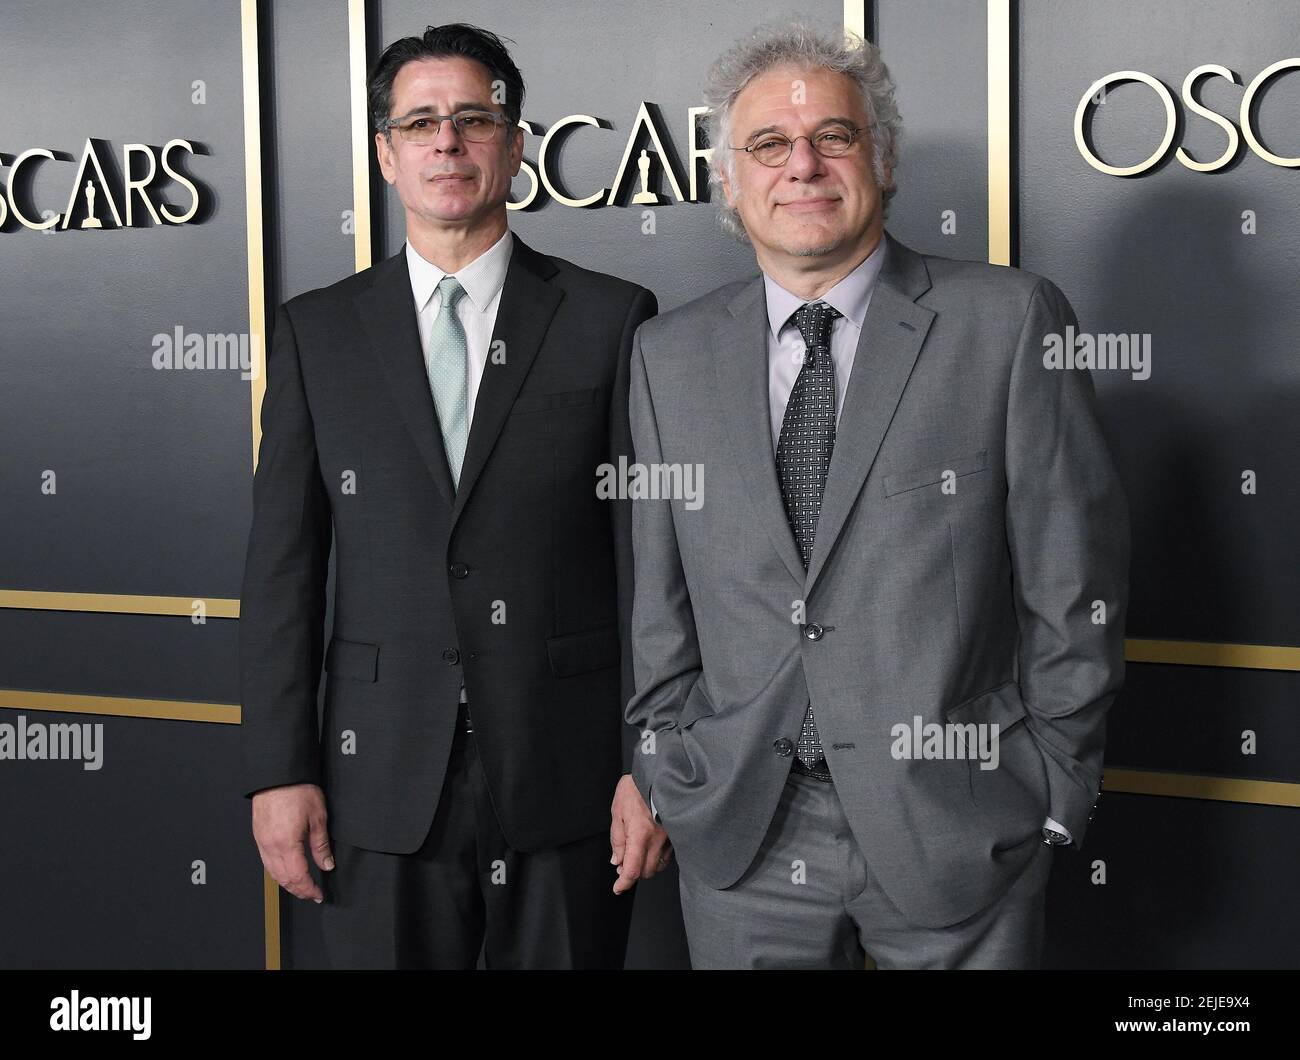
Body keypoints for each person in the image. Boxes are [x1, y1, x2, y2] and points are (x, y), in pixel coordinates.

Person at [623, 20, 1130, 969]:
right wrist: (662, 762)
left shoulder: (1009, 321)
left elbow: (1074, 579)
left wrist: (1057, 783)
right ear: (729, 182)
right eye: (769, 144)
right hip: (742, 834)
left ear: (883, 160)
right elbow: (661, 598)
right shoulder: (667, 355)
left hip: (961, 826)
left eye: (836, 138)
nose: (802, 165)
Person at [239, 23, 662, 969]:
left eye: (475, 118)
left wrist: (649, 766)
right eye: (421, 122)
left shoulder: (612, 317)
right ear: (386, 154)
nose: (448, 141)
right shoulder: (317, 332)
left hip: (570, 778)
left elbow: (649, 566)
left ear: (516, 146)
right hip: (376, 781)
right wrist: (279, 770)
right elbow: (282, 571)